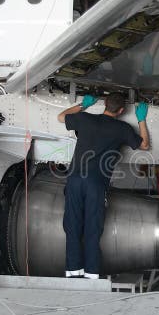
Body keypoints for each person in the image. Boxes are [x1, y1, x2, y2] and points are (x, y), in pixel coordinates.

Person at [57, 93, 150, 279]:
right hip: (96, 183)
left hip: (75, 179)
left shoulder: (85, 118)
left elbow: (61, 117)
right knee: (93, 228)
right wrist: (142, 119)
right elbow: (145, 145)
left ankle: (73, 272)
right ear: (122, 111)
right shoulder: (123, 128)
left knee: (72, 226)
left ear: (104, 104)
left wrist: (83, 105)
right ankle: (91, 274)